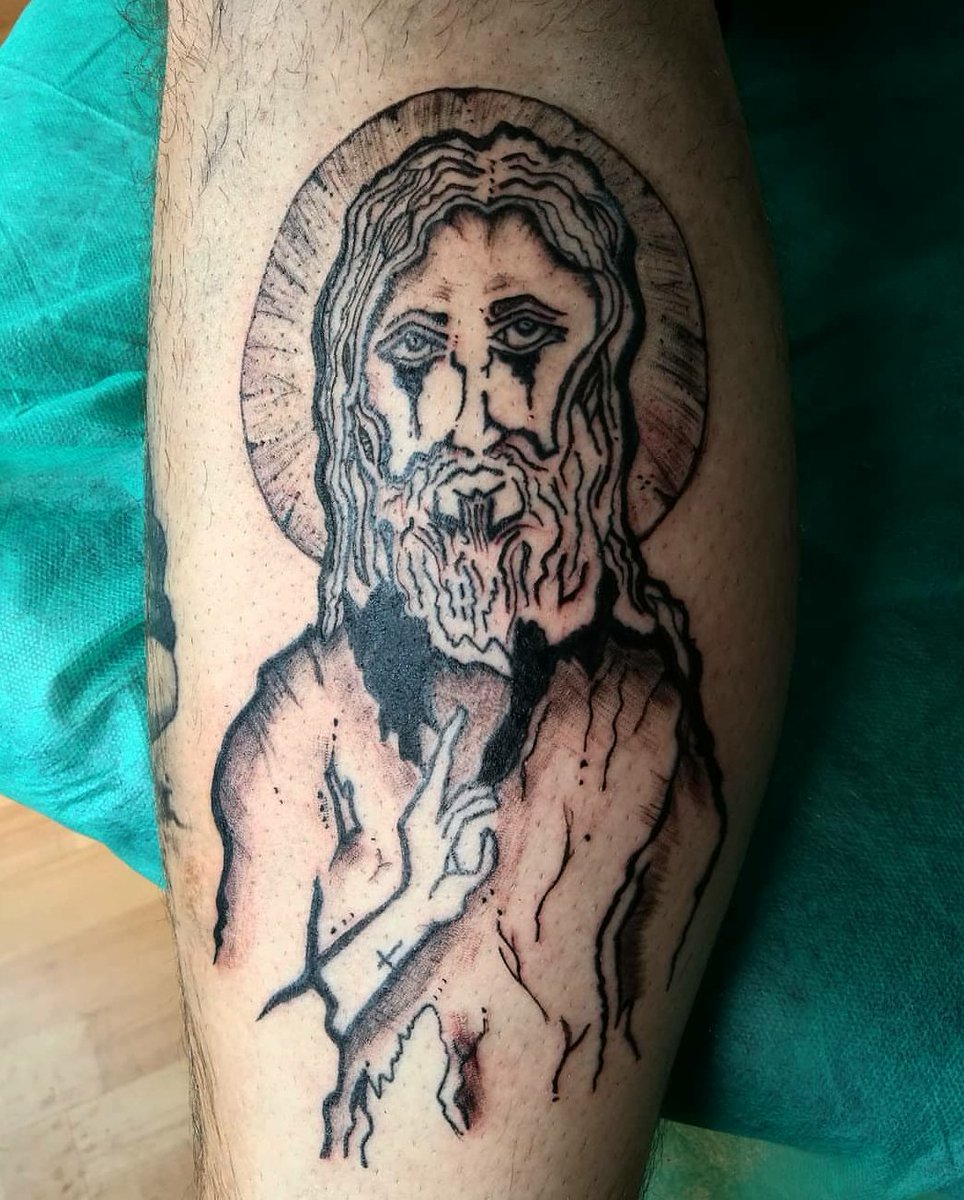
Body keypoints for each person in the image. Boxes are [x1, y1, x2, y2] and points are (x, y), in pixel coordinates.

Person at [148, 4, 794, 1197]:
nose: (471, 413)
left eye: (527, 337)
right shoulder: (302, 723)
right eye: (413, 356)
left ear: (602, 391)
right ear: (353, 414)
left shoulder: (641, 722)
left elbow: (632, 967)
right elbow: (277, 1006)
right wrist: (418, 901)